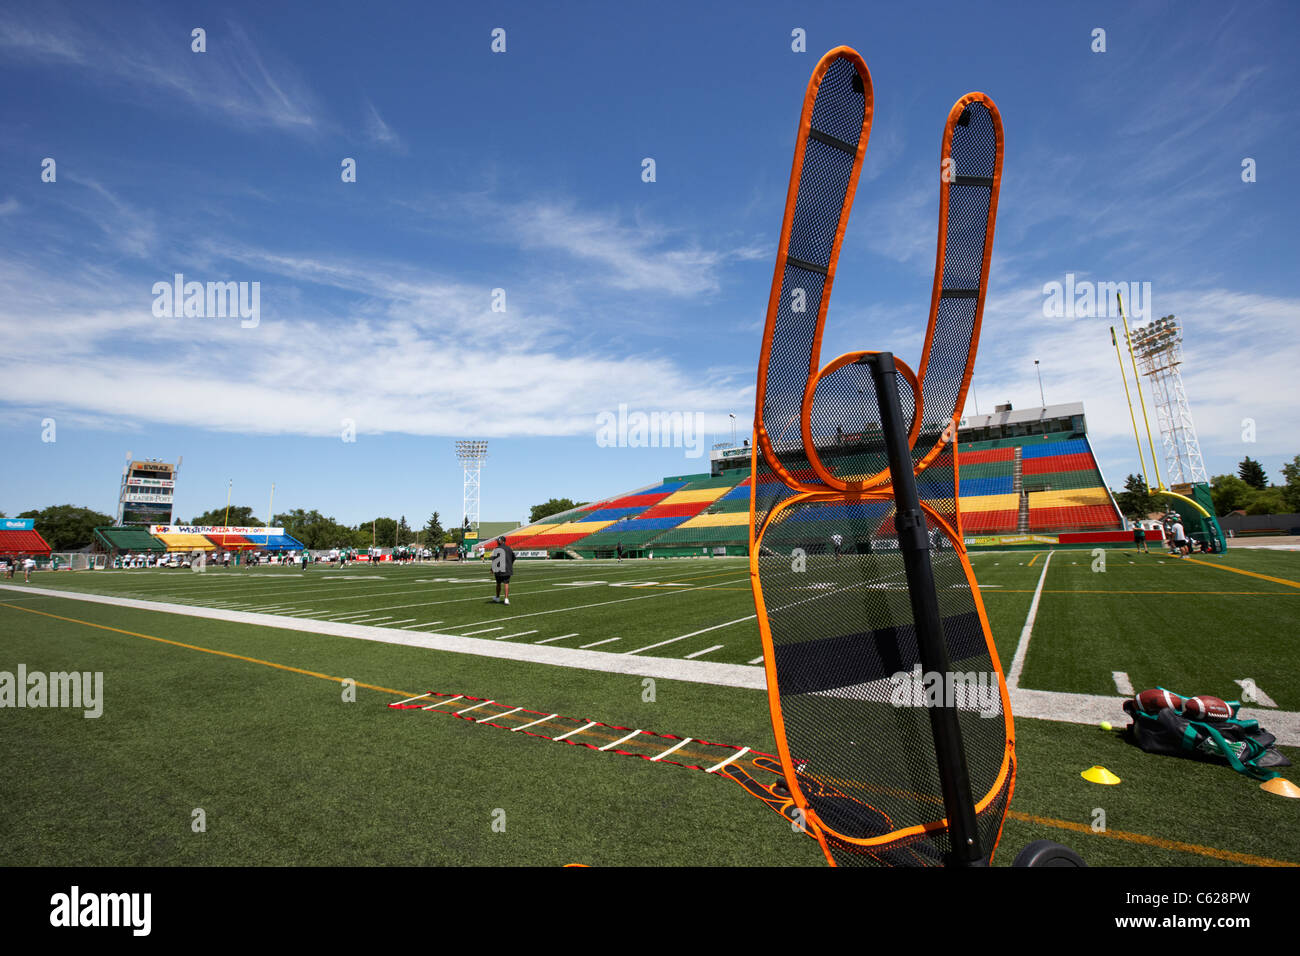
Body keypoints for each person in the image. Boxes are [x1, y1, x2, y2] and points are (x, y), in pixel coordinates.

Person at [490, 538, 515, 605]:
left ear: (502, 541)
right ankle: (506, 599)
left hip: (498, 569)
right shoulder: (509, 548)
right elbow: (513, 558)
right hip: (507, 569)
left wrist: (492, 568)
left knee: (498, 583)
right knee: (506, 583)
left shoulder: (496, 549)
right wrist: (510, 564)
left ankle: (498, 598)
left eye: (499, 541)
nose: (498, 542)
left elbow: (494, 560)